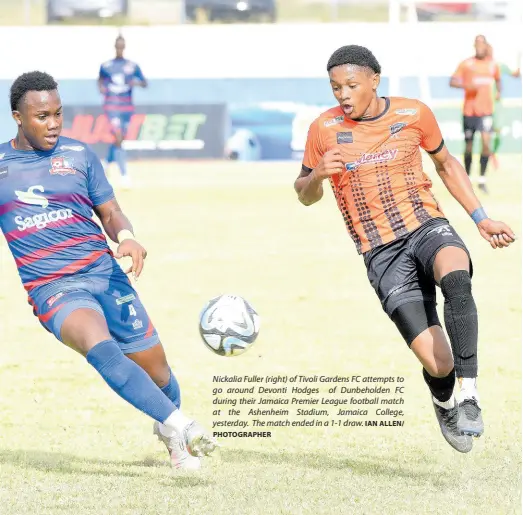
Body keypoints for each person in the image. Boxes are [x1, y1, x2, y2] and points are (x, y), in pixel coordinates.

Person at [294, 45, 516, 453]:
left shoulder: (414, 113)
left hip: (426, 225)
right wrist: (318, 178)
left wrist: (481, 218)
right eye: (335, 87)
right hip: (380, 251)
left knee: (456, 275)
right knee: (438, 363)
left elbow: (447, 164)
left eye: (351, 85)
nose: (342, 94)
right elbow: (303, 194)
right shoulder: (322, 129)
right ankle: (445, 395)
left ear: (374, 80)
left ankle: (469, 395)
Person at [0, 71, 217, 471]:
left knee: (157, 370)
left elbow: (110, 211)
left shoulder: (80, 155)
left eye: (58, 114)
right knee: (100, 346)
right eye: (42, 116)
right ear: (17, 116)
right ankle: (183, 426)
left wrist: (127, 237)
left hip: (106, 274)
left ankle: (169, 430)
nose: (53, 124)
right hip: (54, 287)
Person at [450, 35, 501, 194]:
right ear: (474, 46)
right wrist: (466, 85)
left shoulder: (492, 65)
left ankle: (482, 180)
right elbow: (452, 81)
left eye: (482, 44)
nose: (480, 47)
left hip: (486, 112)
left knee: (486, 142)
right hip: (469, 111)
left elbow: (498, 79)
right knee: (469, 145)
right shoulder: (466, 64)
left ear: (486, 46)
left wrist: (499, 91)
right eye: (477, 44)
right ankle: (467, 179)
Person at [98, 35, 147, 189]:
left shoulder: (132, 66)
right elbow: (100, 79)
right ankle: (124, 175)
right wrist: (101, 88)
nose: (120, 48)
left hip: (127, 107)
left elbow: (145, 83)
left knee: (120, 140)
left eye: (122, 45)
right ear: (115, 46)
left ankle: (105, 163)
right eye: (118, 45)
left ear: (124, 47)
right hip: (111, 105)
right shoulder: (106, 66)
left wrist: (136, 82)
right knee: (118, 137)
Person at [486, 44, 521, 169]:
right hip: (484, 104)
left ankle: (493, 153)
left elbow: (515, 74)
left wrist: (518, 66)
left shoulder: (499, 66)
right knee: (486, 132)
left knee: (498, 130)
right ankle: (486, 155)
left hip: (497, 104)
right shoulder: (481, 67)